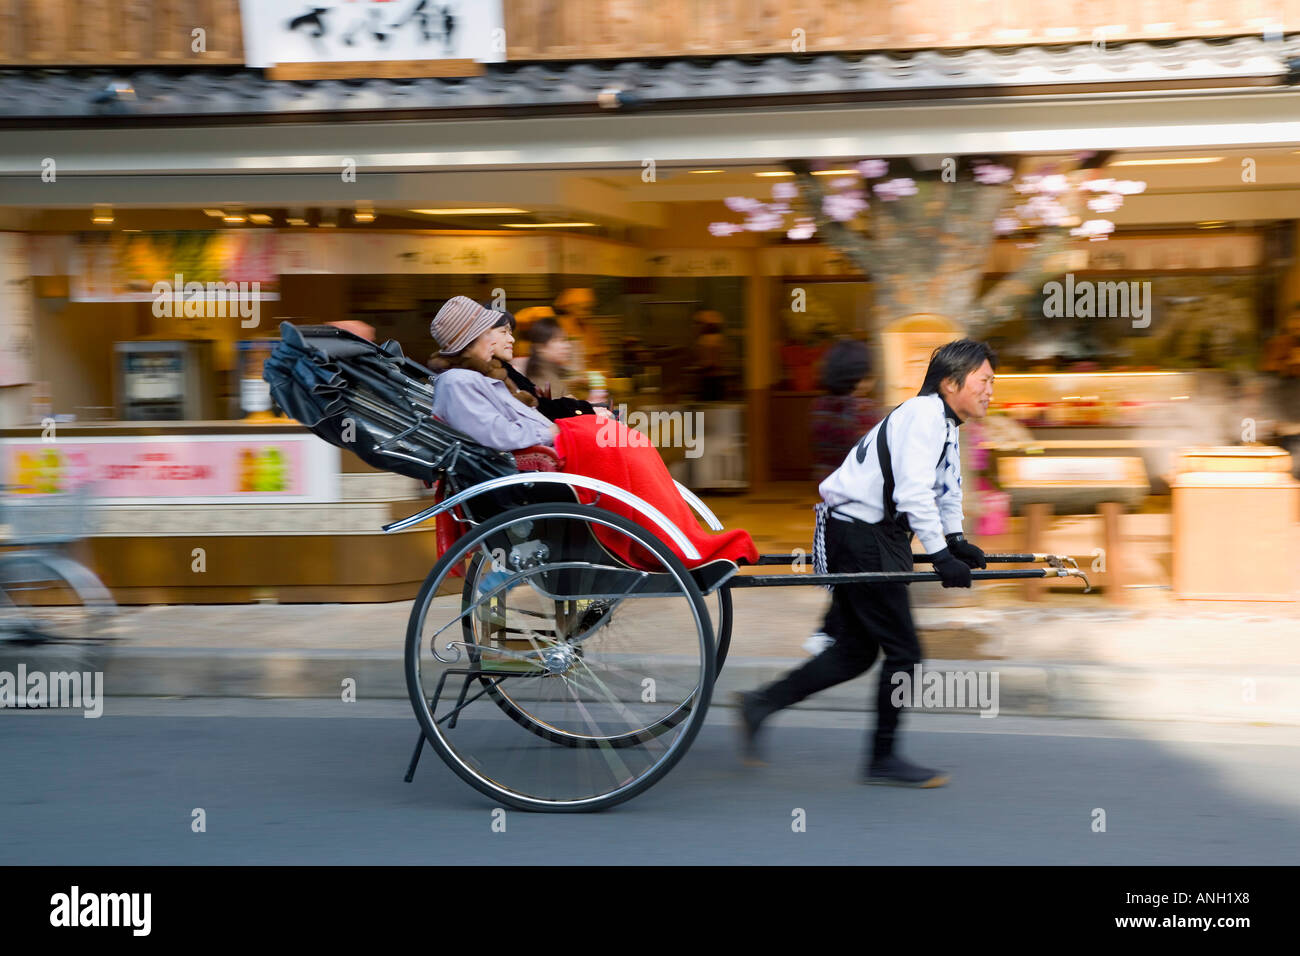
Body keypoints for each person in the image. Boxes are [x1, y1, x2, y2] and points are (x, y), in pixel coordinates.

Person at [735, 339, 997, 788]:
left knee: (856, 652)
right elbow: (914, 493)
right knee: (905, 651)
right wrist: (937, 556)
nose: (991, 390)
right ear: (951, 383)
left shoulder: (945, 421)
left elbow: (946, 487)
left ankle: (760, 703)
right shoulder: (924, 417)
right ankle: (883, 759)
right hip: (861, 534)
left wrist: (955, 540)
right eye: (984, 381)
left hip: (875, 533)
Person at [803, 338, 881, 655]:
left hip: (831, 504)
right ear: (861, 378)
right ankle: (830, 633)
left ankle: (832, 631)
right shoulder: (865, 412)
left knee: (849, 575)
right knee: (862, 574)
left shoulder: (818, 408)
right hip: (861, 507)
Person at [519, 316, 576, 404]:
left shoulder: (550, 375)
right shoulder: (543, 384)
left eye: (565, 340)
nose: (567, 346)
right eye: (558, 340)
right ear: (540, 347)